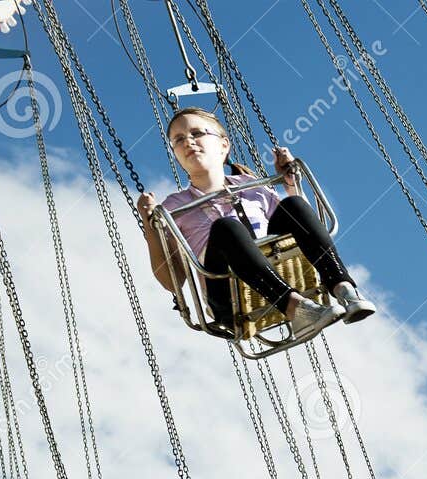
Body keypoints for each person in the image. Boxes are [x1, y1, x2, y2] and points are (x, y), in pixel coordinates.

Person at [135, 106, 375, 342]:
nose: (188, 141)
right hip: (228, 295)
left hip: (280, 269)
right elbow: (173, 282)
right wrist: (150, 227)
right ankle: (295, 308)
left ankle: (344, 289)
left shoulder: (251, 185)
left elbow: (302, 228)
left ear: (223, 145)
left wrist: (290, 183)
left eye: (197, 133)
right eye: (178, 140)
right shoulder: (174, 207)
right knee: (226, 227)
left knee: (294, 205)